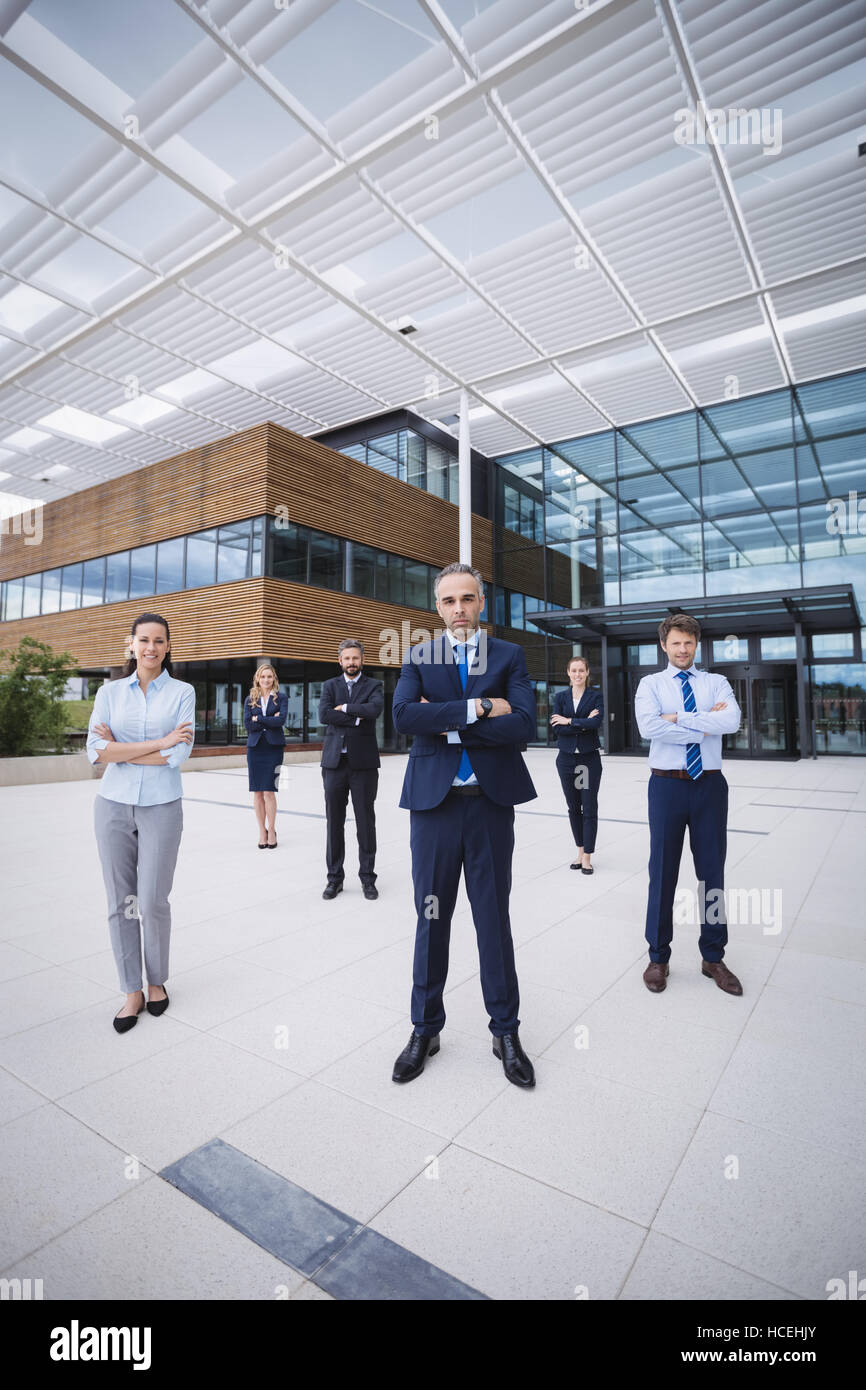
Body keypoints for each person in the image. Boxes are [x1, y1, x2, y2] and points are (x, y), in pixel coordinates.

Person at [391, 562, 538, 1088]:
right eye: (449, 601)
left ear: (482, 603)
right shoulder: (417, 655)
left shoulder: (509, 655)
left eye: (468, 599)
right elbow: (405, 718)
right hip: (434, 808)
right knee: (431, 920)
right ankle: (424, 1028)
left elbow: (523, 724)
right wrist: (478, 708)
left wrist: (447, 719)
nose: (459, 609)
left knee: (493, 920)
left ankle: (506, 1030)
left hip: (490, 805)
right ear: (438, 607)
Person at [86, 613, 195, 1033]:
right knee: (121, 901)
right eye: (143, 640)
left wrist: (121, 747)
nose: (151, 647)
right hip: (112, 805)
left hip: (162, 806)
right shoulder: (109, 692)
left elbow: (177, 757)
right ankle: (131, 990)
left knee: (150, 901)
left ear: (168, 647)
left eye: (159, 641)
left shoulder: (182, 692)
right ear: (130, 644)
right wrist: (159, 743)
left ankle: (156, 982)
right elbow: (95, 752)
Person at [634, 613, 743, 996]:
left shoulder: (717, 682)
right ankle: (658, 956)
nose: (683, 649)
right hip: (666, 788)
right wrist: (702, 721)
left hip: (710, 787)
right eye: (676, 643)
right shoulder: (650, 684)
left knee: (712, 875)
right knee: (662, 873)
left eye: (689, 643)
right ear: (664, 645)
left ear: (697, 645)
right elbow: (649, 728)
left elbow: (731, 721)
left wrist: (678, 717)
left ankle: (713, 956)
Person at [318, 639, 383, 900]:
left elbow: (375, 709)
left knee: (365, 823)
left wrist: (345, 708)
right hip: (334, 764)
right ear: (340, 661)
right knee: (334, 823)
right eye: (347, 659)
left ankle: (368, 879)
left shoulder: (374, 685)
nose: (351, 663)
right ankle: (334, 879)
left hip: (364, 765)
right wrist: (358, 717)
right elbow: (324, 715)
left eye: (355, 658)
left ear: (362, 660)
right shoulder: (329, 686)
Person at [550, 655, 604, 873]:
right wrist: (582, 724)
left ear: (587, 672)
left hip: (588, 760)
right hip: (566, 760)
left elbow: (596, 722)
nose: (578, 674)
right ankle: (580, 852)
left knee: (588, 807)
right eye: (574, 671)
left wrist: (570, 720)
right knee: (574, 808)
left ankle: (588, 857)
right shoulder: (561, 697)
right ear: (568, 673)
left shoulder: (595, 696)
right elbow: (556, 727)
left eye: (581, 670)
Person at [244, 664, 288, 848]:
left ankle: (272, 829)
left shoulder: (281, 697)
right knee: (257, 792)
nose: (266, 680)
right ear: (258, 678)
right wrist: (269, 719)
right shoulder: (250, 699)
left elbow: (281, 720)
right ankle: (262, 831)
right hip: (255, 749)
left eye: (269, 677)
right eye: (263, 677)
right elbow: (248, 724)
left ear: (274, 679)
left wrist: (259, 718)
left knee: (269, 791)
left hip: (274, 748)